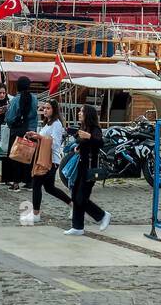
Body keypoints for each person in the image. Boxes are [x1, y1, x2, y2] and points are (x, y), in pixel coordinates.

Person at [64, 104, 112, 236]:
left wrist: (89, 137)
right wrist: (77, 147)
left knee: (81, 197)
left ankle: (102, 215)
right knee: (75, 196)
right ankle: (77, 227)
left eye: (81, 112)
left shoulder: (94, 128)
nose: (79, 113)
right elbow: (82, 142)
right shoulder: (83, 127)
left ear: (88, 114)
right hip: (80, 165)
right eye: (79, 111)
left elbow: (100, 142)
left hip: (90, 168)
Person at [25, 99, 72, 224]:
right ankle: (73, 205)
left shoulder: (56, 124)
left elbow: (55, 144)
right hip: (44, 158)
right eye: (44, 108)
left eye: (48, 108)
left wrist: (40, 137)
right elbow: (45, 139)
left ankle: (35, 214)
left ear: (54, 110)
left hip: (51, 160)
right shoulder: (47, 124)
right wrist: (35, 135)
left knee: (36, 184)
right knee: (49, 188)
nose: (45, 110)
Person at [3, 76, 38, 190]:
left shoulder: (15, 100)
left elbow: (10, 118)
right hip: (31, 131)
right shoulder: (34, 99)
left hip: (18, 131)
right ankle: (29, 182)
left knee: (15, 157)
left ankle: (15, 183)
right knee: (29, 157)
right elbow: (35, 116)